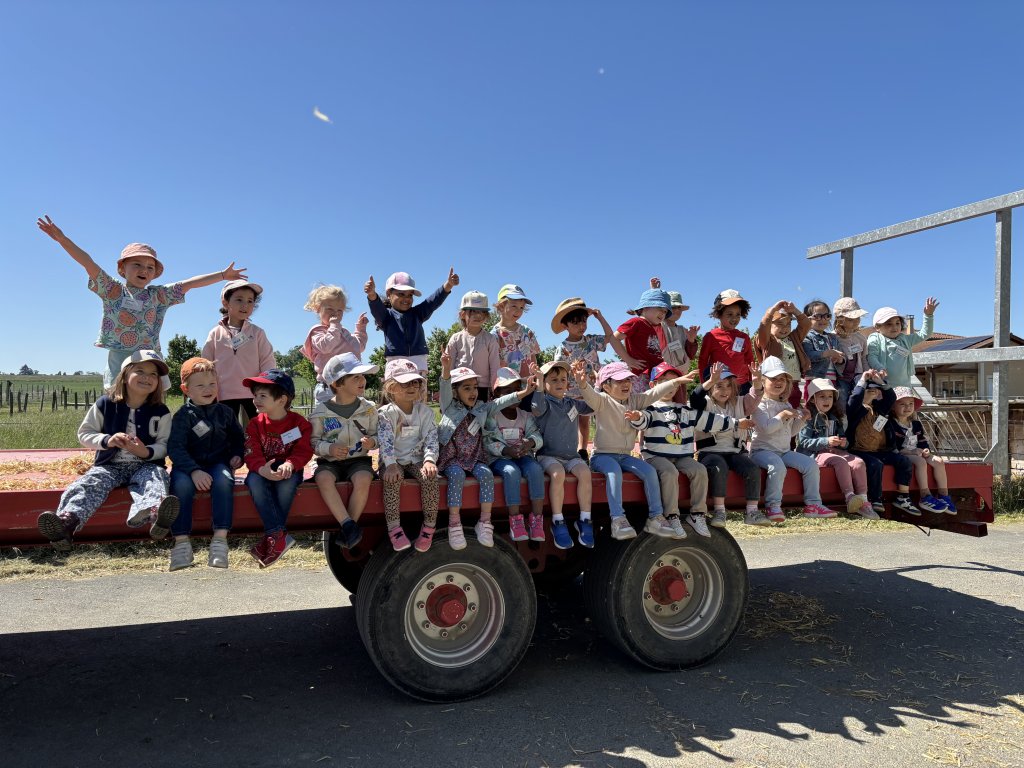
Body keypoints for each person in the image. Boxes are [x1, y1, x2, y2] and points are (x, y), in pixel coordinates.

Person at [36, 215, 246, 388]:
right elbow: (88, 263)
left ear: (155, 273)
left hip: (149, 354)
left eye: (149, 267)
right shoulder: (113, 290)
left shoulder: (158, 295)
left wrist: (222, 275)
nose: (143, 270)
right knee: (119, 396)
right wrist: (62, 239)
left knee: (152, 399)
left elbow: (188, 284)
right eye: (137, 264)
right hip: (120, 353)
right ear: (122, 269)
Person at [37, 351, 179, 552]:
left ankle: (157, 515)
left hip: (145, 465)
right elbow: (85, 433)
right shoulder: (105, 404)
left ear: (159, 382)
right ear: (124, 375)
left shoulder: (161, 411)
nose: (147, 377)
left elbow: (165, 444)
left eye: (154, 374)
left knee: (156, 478)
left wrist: (145, 451)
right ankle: (66, 522)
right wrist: (107, 440)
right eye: (140, 371)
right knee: (89, 483)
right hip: (110, 465)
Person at [574, 359, 687, 539]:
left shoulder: (635, 400)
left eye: (628, 380)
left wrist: (675, 382)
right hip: (602, 456)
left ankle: (655, 517)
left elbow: (653, 393)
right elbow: (589, 396)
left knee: (649, 471)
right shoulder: (602, 400)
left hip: (625, 456)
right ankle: (618, 519)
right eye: (619, 381)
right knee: (613, 472)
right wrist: (582, 383)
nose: (626, 384)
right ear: (606, 386)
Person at [627, 363, 740, 538]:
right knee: (669, 472)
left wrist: (737, 423)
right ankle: (672, 515)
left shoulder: (685, 409)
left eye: (674, 382)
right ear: (652, 385)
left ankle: (697, 515)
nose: (670, 386)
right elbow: (642, 420)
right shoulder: (649, 408)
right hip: (656, 456)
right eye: (664, 381)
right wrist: (637, 417)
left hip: (681, 456)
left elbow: (710, 420)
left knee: (699, 470)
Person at [437, 352, 535, 549]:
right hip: (453, 458)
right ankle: (454, 523)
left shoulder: (481, 408)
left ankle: (485, 521)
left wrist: (523, 393)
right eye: (466, 388)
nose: (473, 392)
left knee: (487, 475)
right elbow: (445, 386)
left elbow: (500, 402)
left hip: (474, 457)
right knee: (456, 476)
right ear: (455, 392)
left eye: (474, 387)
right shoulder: (449, 406)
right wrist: (446, 369)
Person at [166, 357, 245, 570]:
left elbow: (238, 438)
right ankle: (182, 544)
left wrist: (237, 455)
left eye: (212, 384)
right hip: (188, 466)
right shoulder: (184, 416)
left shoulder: (225, 412)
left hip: (218, 462)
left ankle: (220, 540)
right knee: (180, 485)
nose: (208, 389)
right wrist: (193, 471)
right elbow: (175, 448)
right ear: (186, 389)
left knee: (225, 479)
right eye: (200, 385)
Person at [749, 356, 837, 522]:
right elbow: (766, 430)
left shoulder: (787, 404)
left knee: (810, 464)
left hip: (783, 451)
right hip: (761, 451)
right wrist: (782, 416)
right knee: (777, 466)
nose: (778, 382)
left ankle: (813, 504)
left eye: (782, 379)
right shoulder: (758, 404)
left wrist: (803, 419)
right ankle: (773, 506)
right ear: (762, 380)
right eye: (773, 379)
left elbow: (790, 433)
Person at [551, 297, 638, 461]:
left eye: (583, 321)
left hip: (592, 390)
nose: (581, 326)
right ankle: (567, 450)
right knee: (569, 421)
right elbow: (559, 370)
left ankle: (583, 450)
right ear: (565, 325)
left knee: (586, 420)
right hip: (571, 391)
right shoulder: (562, 348)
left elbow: (610, 336)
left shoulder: (590, 340)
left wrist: (600, 317)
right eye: (576, 323)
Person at [309, 353, 380, 550]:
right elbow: (313, 442)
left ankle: (349, 527)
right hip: (330, 461)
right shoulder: (321, 412)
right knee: (323, 478)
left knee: (364, 479)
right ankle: (348, 524)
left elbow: (379, 436)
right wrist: (329, 448)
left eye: (363, 376)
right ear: (337, 383)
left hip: (358, 460)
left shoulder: (369, 409)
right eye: (355, 377)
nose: (363, 380)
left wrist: (372, 442)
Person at [242, 369, 312, 567]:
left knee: (287, 483)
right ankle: (278, 534)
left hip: (288, 468)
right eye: (255, 395)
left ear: (281, 400)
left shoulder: (299, 424)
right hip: (262, 469)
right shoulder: (254, 425)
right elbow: (251, 451)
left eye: (262, 395)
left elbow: (303, 450)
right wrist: (261, 469)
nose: (256, 399)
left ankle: (273, 537)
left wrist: (291, 463)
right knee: (254, 481)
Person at [691, 362, 768, 527]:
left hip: (734, 452)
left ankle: (752, 511)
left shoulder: (740, 402)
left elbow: (755, 397)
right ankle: (719, 512)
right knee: (719, 467)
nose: (725, 390)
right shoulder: (705, 403)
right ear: (710, 387)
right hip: (710, 452)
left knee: (752, 468)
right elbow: (694, 398)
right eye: (719, 386)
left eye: (729, 386)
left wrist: (756, 381)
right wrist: (710, 381)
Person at [376, 359, 440, 552]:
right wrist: (390, 464)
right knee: (392, 481)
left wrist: (429, 460)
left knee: (430, 478)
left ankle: (429, 526)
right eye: (406, 383)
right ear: (391, 387)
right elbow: (385, 441)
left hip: (416, 459)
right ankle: (394, 528)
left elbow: (431, 438)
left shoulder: (425, 412)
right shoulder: (386, 414)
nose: (412, 386)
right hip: (392, 460)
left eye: (416, 382)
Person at [530, 360, 596, 547]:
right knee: (557, 474)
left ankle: (585, 519)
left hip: (571, 457)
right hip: (548, 456)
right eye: (554, 379)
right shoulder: (544, 402)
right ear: (545, 383)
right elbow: (536, 408)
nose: (560, 383)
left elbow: (594, 405)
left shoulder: (572, 403)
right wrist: (539, 385)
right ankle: (557, 520)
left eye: (563, 379)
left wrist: (584, 384)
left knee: (585, 473)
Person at [797, 378, 877, 519]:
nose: (826, 400)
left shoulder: (835, 418)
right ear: (811, 400)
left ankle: (863, 501)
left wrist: (843, 443)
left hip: (835, 452)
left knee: (858, 462)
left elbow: (844, 441)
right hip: (815, 454)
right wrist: (825, 441)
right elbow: (804, 442)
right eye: (822, 396)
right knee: (839, 461)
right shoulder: (808, 418)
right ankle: (849, 497)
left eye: (830, 396)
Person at [846, 369, 919, 515]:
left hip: (880, 451)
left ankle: (903, 497)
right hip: (859, 451)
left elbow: (891, 397)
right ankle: (875, 499)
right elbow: (854, 399)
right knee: (875, 465)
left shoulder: (879, 409)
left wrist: (880, 382)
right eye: (869, 389)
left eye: (875, 390)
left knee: (903, 461)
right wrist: (863, 380)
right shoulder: (855, 409)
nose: (873, 392)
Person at [485, 367, 546, 543]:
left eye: (517, 390)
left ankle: (536, 519)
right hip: (500, 458)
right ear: (497, 394)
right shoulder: (492, 415)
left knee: (535, 470)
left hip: (523, 455)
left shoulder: (525, 416)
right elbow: (488, 441)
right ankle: (516, 520)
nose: (515, 395)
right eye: (508, 391)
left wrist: (530, 443)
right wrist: (505, 450)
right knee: (511, 472)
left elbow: (535, 434)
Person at [202, 280, 276, 421]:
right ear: (226, 303)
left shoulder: (257, 333)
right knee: (227, 436)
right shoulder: (215, 333)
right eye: (239, 299)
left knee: (257, 432)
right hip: (223, 395)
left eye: (250, 301)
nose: (245, 305)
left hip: (254, 395)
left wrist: (267, 389)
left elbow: (268, 362)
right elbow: (206, 365)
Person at [366, 269, 459, 378]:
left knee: (418, 393)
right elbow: (376, 308)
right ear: (388, 294)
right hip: (395, 364)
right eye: (401, 294)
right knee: (396, 394)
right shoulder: (386, 317)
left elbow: (433, 301)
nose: (406, 298)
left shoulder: (417, 314)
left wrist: (449, 285)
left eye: (410, 295)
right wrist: (372, 295)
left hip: (419, 363)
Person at [891, 386, 955, 514]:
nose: (907, 407)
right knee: (920, 462)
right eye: (902, 404)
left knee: (938, 461)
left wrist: (925, 450)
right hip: (901, 453)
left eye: (910, 404)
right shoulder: (891, 424)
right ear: (893, 406)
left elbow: (922, 440)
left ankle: (944, 495)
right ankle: (925, 495)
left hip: (917, 452)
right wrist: (912, 452)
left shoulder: (915, 424)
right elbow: (893, 445)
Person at [302, 284, 369, 403]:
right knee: (328, 419)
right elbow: (326, 347)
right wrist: (334, 326)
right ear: (318, 308)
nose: (335, 314)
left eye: (339, 310)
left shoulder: (343, 332)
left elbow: (358, 347)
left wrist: (361, 329)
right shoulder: (317, 331)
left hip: (350, 385)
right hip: (329, 388)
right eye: (330, 309)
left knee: (349, 419)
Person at [866, 299, 939, 387]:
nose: (895, 327)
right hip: (883, 386)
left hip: (904, 386)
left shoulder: (905, 339)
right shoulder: (875, 338)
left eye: (897, 323)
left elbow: (925, 333)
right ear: (877, 327)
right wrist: (880, 368)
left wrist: (928, 315)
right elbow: (871, 357)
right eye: (889, 324)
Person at [444, 290, 500, 402]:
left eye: (482, 312)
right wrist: (448, 388)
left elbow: (494, 367)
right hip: (460, 388)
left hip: (483, 388)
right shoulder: (456, 338)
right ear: (462, 314)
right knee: (461, 418)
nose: (478, 315)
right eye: (473, 311)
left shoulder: (490, 339)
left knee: (481, 417)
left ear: (487, 315)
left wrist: (495, 389)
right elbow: (449, 366)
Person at [754, 299, 810, 408]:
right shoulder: (767, 340)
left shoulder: (794, 338)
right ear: (770, 325)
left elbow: (806, 324)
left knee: (792, 414)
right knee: (775, 413)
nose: (785, 328)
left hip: (793, 384)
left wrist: (795, 311)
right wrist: (773, 310)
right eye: (780, 324)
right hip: (775, 384)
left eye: (788, 324)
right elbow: (763, 326)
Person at [697, 289, 755, 394]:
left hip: (742, 386)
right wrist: (705, 385)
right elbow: (703, 362)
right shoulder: (711, 336)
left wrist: (752, 382)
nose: (735, 318)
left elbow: (750, 360)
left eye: (738, 314)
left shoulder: (744, 337)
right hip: (721, 387)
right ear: (719, 314)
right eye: (730, 314)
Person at [615, 288, 671, 393]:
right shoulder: (637, 322)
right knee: (640, 405)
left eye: (665, 311)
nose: (663, 313)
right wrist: (628, 359)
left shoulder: (652, 327)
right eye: (659, 308)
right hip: (640, 375)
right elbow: (614, 338)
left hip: (652, 375)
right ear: (645, 306)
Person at [649, 278, 699, 372]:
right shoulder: (657, 327)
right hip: (661, 376)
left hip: (680, 375)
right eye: (673, 307)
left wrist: (691, 340)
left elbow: (691, 355)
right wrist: (654, 291)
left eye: (679, 307)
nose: (676, 311)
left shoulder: (683, 330)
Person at [801, 300, 845, 403]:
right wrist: (827, 353)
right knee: (812, 406)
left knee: (830, 406)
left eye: (827, 316)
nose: (823, 319)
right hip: (815, 379)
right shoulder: (807, 337)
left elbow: (842, 359)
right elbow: (808, 355)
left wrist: (840, 360)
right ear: (807, 318)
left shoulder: (833, 338)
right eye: (817, 316)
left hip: (832, 379)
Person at [493, 284, 541, 378]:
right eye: (514, 306)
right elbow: (495, 362)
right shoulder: (495, 334)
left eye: (521, 307)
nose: (518, 311)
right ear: (501, 306)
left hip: (528, 383)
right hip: (507, 385)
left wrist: (536, 376)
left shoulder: (527, 331)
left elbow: (533, 357)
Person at [832, 297, 870, 414]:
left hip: (858, 375)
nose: (855, 321)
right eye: (850, 319)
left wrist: (867, 373)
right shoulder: (833, 337)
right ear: (840, 319)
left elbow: (864, 358)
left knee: (860, 400)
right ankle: (843, 426)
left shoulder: (861, 338)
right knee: (842, 402)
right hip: (840, 377)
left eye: (857, 318)